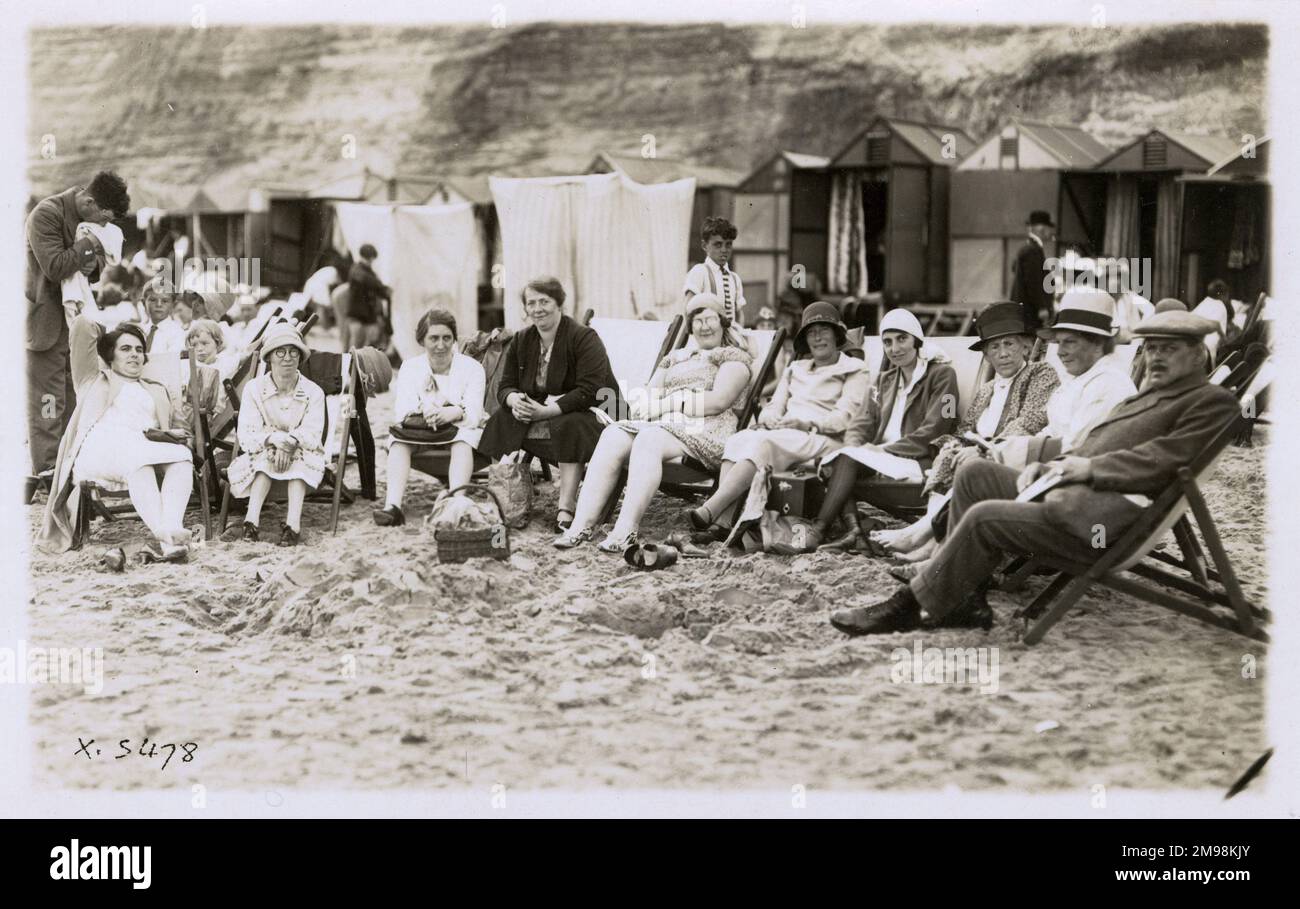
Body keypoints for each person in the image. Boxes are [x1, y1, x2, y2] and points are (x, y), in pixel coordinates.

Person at [830, 310, 1241, 636]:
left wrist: (1086, 467)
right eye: (1150, 349)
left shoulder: (1209, 402)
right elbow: (1095, 443)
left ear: (1197, 353)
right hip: (1071, 490)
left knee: (984, 517)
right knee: (975, 475)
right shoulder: (1154, 394)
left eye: (1168, 349)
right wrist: (1052, 465)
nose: (1155, 358)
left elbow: (1166, 458)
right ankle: (966, 599)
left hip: (1098, 515)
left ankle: (909, 606)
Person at [554, 294, 753, 551]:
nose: (704, 326)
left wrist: (669, 404)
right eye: (697, 321)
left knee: (649, 439)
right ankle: (580, 526)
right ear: (690, 328)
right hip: (667, 426)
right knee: (614, 433)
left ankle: (625, 531)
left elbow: (718, 401)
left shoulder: (733, 358)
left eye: (710, 319)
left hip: (707, 428)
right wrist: (648, 407)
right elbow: (650, 391)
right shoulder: (677, 357)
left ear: (723, 323)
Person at [869, 302, 1059, 559]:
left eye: (1009, 344)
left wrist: (982, 449)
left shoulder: (1040, 373)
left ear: (1025, 346)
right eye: (994, 347)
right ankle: (932, 544)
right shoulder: (987, 389)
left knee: (965, 463)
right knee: (949, 453)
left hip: (1010, 460)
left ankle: (920, 536)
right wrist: (956, 445)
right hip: (977, 456)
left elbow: (1030, 421)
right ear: (987, 355)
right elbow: (965, 428)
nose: (1002, 354)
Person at [777, 308, 960, 554]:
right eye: (887, 342)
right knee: (831, 462)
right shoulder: (884, 381)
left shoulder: (942, 375)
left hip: (918, 460)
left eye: (901, 339)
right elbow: (861, 423)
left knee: (845, 461)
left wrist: (880, 449)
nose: (895, 348)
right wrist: (855, 446)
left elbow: (936, 429)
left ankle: (819, 529)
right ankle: (854, 533)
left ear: (916, 340)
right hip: (882, 459)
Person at [686, 301, 869, 537]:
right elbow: (774, 406)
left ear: (836, 334)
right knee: (739, 440)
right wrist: (771, 419)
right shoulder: (796, 368)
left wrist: (806, 424)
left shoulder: (854, 368)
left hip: (827, 439)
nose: (818, 338)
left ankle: (710, 509)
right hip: (789, 434)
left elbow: (846, 417)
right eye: (811, 332)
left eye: (824, 330)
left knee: (766, 444)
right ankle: (722, 523)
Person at [37, 320, 193, 561]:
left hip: (142, 446)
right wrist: (111, 329)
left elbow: (180, 428)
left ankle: (170, 530)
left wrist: (173, 434)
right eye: (125, 348)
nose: (134, 355)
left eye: (139, 349)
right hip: (100, 448)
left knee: (183, 457)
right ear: (110, 355)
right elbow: (81, 326)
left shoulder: (156, 389)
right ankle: (163, 534)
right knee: (138, 459)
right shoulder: (93, 380)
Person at [478, 277, 620, 533]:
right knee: (503, 417)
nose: (537, 308)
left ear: (559, 304)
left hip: (597, 413)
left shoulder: (583, 337)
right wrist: (514, 401)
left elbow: (591, 390)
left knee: (569, 423)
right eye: (531, 303)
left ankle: (566, 506)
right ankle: (502, 494)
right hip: (544, 411)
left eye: (544, 301)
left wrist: (547, 411)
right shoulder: (523, 340)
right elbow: (505, 385)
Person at [26, 171, 131, 489]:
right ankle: (47, 471)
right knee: (47, 399)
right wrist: (90, 245)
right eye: (103, 218)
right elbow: (55, 266)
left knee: (76, 395)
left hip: (77, 322)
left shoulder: (86, 220)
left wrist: (91, 263)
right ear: (88, 200)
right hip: (46, 322)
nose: (103, 226)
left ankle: (70, 465)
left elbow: (92, 267)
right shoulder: (46, 213)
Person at [374, 309, 486, 526]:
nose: (441, 345)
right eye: (433, 338)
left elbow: (474, 414)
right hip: (422, 429)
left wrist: (453, 412)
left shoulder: (471, 368)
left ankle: (456, 502)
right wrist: (428, 411)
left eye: (447, 338)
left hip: (459, 429)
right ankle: (393, 506)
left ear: (454, 339)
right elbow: (403, 411)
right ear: (422, 340)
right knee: (398, 442)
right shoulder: (410, 367)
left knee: (462, 441)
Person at [226, 323, 326, 546]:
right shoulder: (254, 388)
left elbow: (312, 432)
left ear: (300, 357)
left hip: (301, 451)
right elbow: (248, 433)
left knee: (297, 459)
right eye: (280, 351)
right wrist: (275, 441)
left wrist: (291, 442)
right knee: (265, 457)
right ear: (269, 357)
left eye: (293, 352)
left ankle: (293, 526)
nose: (287, 358)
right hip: (265, 448)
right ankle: (251, 522)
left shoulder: (313, 392)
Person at [683, 216, 746, 342]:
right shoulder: (700, 271)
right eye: (718, 245)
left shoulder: (735, 278)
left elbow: (738, 313)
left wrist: (738, 334)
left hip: (730, 340)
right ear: (704, 245)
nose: (724, 250)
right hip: (705, 338)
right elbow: (688, 308)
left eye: (728, 245)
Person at [1009, 210, 1055, 331]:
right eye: (1049, 228)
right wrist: (1041, 307)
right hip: (1031, 313)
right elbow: (1033, 282)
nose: (1051, 233)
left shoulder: (1028, 247)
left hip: (1025, 311)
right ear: (1042, 229)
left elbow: (1015, 268)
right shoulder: (1033, 250)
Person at [346, 244, 390, 351]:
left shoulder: (368, 271)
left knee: (364, 345)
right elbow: (368, 280)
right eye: (370, 259)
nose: (371, 261)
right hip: (356, 315)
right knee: (355, 345)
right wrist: (382, 287)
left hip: (366, 315)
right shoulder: (357, 270)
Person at [136, 281, 185, 355]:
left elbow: (171, 361)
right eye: (153, 300)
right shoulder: (138, 330)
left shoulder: (177, 333)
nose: (159, 305)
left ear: (173, 305)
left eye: (165, 301)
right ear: (143, 303)